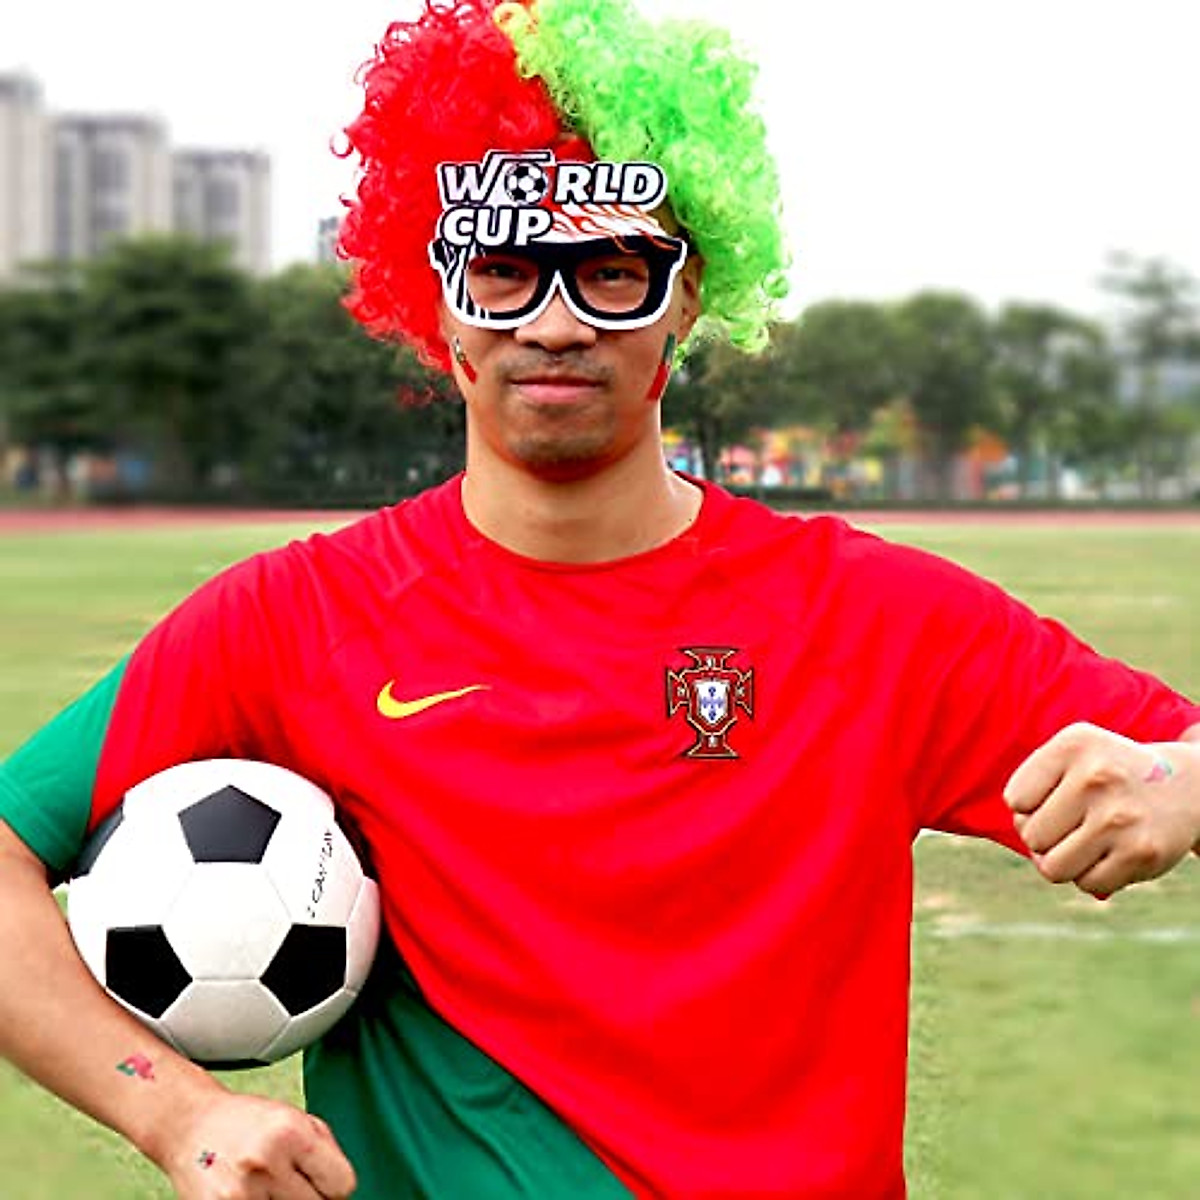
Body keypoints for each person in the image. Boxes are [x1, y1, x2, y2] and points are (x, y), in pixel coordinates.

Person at [1, 0, 1198, 1196]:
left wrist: (1180, 782)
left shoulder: (873, 618)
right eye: (505, 272)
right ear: (438, 303)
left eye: (614, 272)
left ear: (687, 297)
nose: (558, 323)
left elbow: (1178, 755)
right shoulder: (296, 620)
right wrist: (177, 1114)